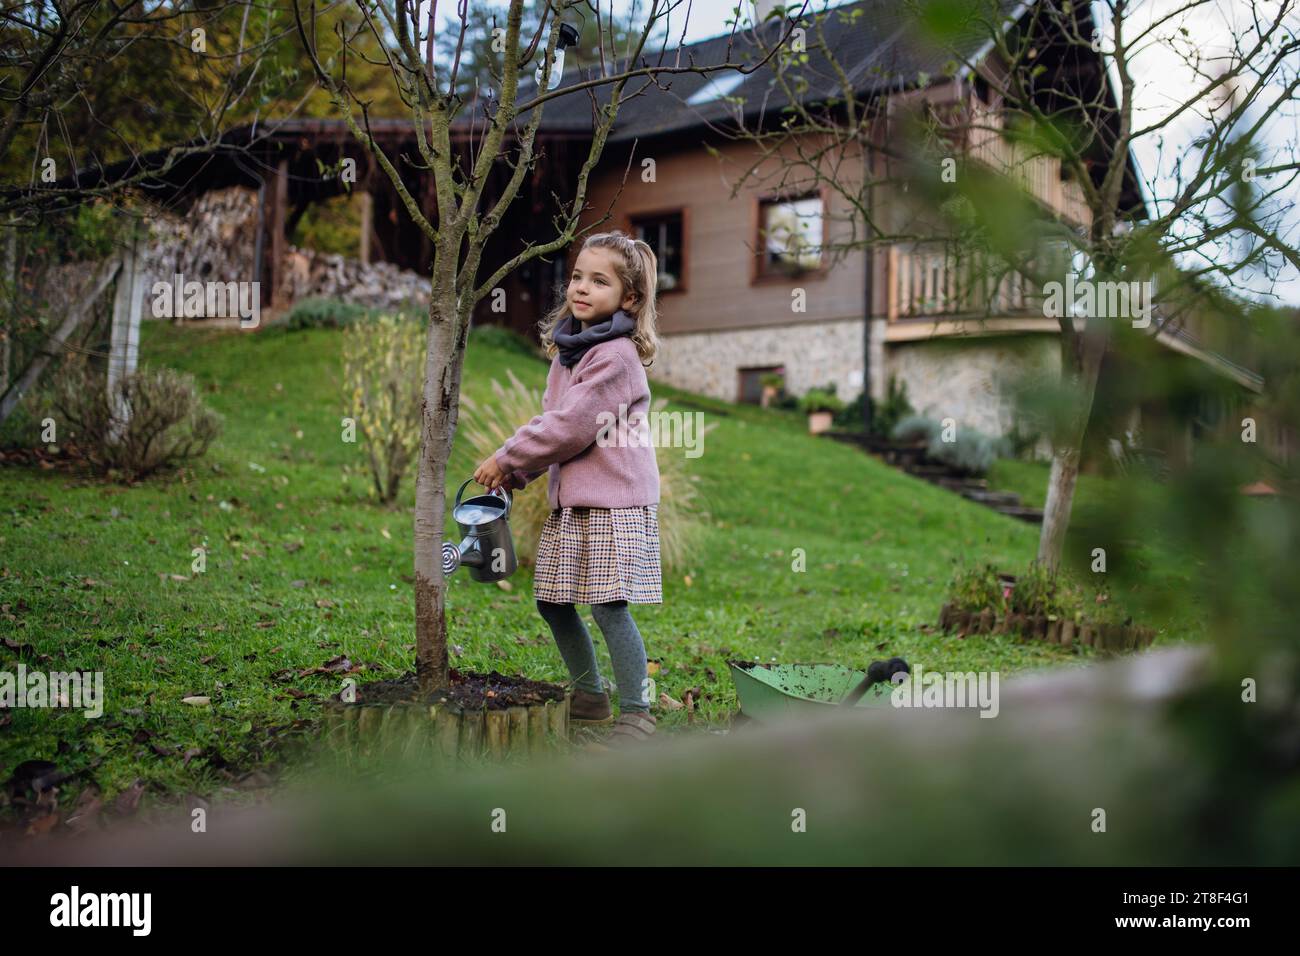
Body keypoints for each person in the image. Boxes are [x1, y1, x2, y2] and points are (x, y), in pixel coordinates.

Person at [474, 231, 663, 748]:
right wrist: (517, 474)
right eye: (578, 275)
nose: (581, 287)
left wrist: (506, 457)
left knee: (607, 605)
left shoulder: (615, 357)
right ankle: (589, 697)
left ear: (628, 298)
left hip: (614, 502)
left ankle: (637, 711)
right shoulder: (571, 354)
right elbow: (556, 425)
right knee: (554, 602)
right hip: (577, 500)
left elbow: (571, 427)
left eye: (599, 281)